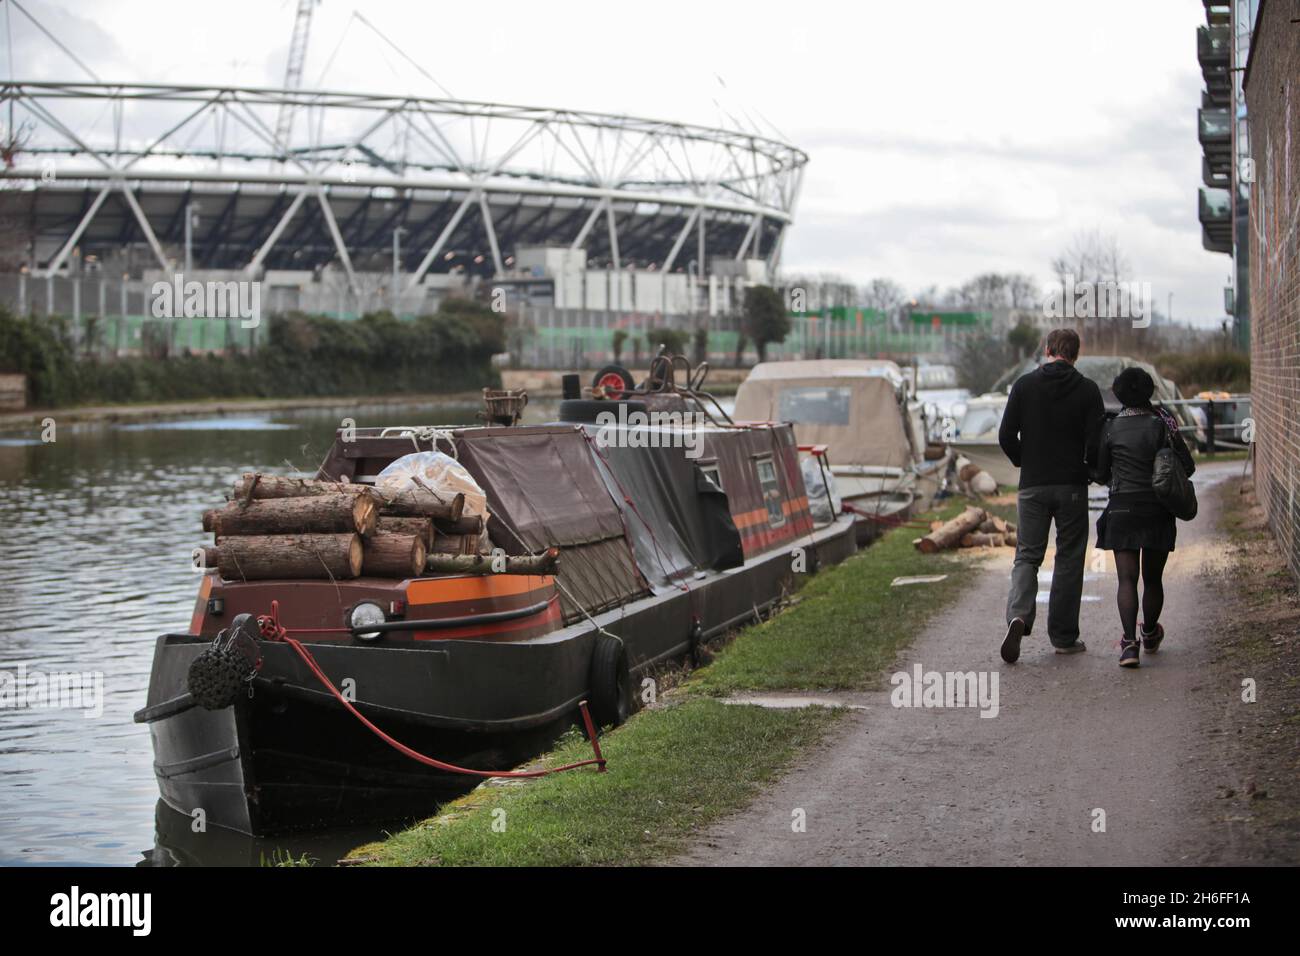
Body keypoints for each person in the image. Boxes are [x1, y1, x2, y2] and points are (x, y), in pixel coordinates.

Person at [998, 328, 1105, 663]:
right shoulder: (1088, 390)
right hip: (1071, 486)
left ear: (1047, 350)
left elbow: (1005, 435)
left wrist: (1023, 459)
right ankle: (1063, 637)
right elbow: (1097, 441)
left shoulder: (1024, 386)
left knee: (1027, 556)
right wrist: (1090, 470)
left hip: (1032, 485)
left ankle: (1018, 615)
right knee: (1070, 558)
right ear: (1075, 354)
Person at [1093, 366, 1195, 668]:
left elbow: (1100, 474)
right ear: (1149, 391)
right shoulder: (1163, 422)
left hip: (1122, 509)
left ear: (1120, 394)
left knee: (1126, 579)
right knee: (1152, 579)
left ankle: (1128, 645)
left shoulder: (1110, 428)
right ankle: (1149, 633)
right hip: (1156, 509)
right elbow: (1186, 466)